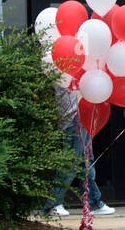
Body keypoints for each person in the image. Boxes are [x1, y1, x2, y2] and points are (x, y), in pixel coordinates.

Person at [48, 83, 115, 217]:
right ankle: (53, 203)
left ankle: (93, 202)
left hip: (82, 113)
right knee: (73, 159)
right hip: (74, 115)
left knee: (86, 160)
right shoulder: (65, 66)